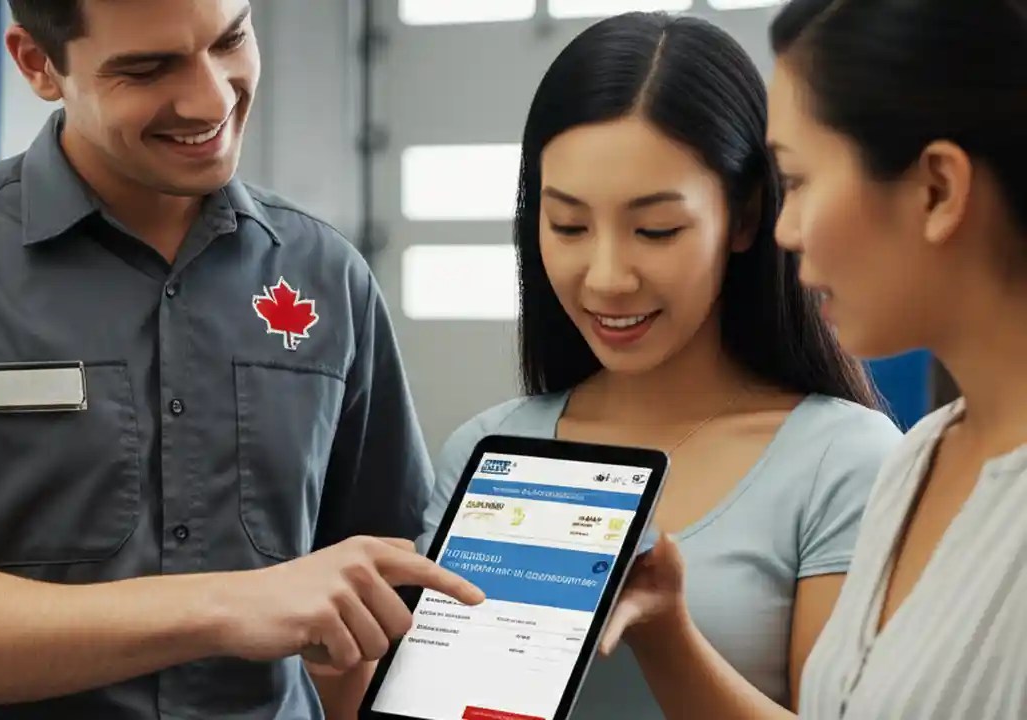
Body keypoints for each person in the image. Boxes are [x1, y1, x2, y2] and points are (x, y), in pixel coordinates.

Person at [0, 1, 482, 718]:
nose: (210, 97)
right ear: (37, 63)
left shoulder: (327, 275)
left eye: (231, 39)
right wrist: (224, 604)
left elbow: (380, 610)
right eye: (146, 68)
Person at [416, 12, 902, 719]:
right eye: (569, 226)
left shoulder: (846, 463)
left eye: (656, 230)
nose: (608, 277)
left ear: (743, 217)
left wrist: (668, 634)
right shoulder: (483, 453)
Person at [597, 0, 1027, 718]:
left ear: (937, 189)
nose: (785, 230)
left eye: (796, 181)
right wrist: (670, 628)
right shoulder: (922, 457)